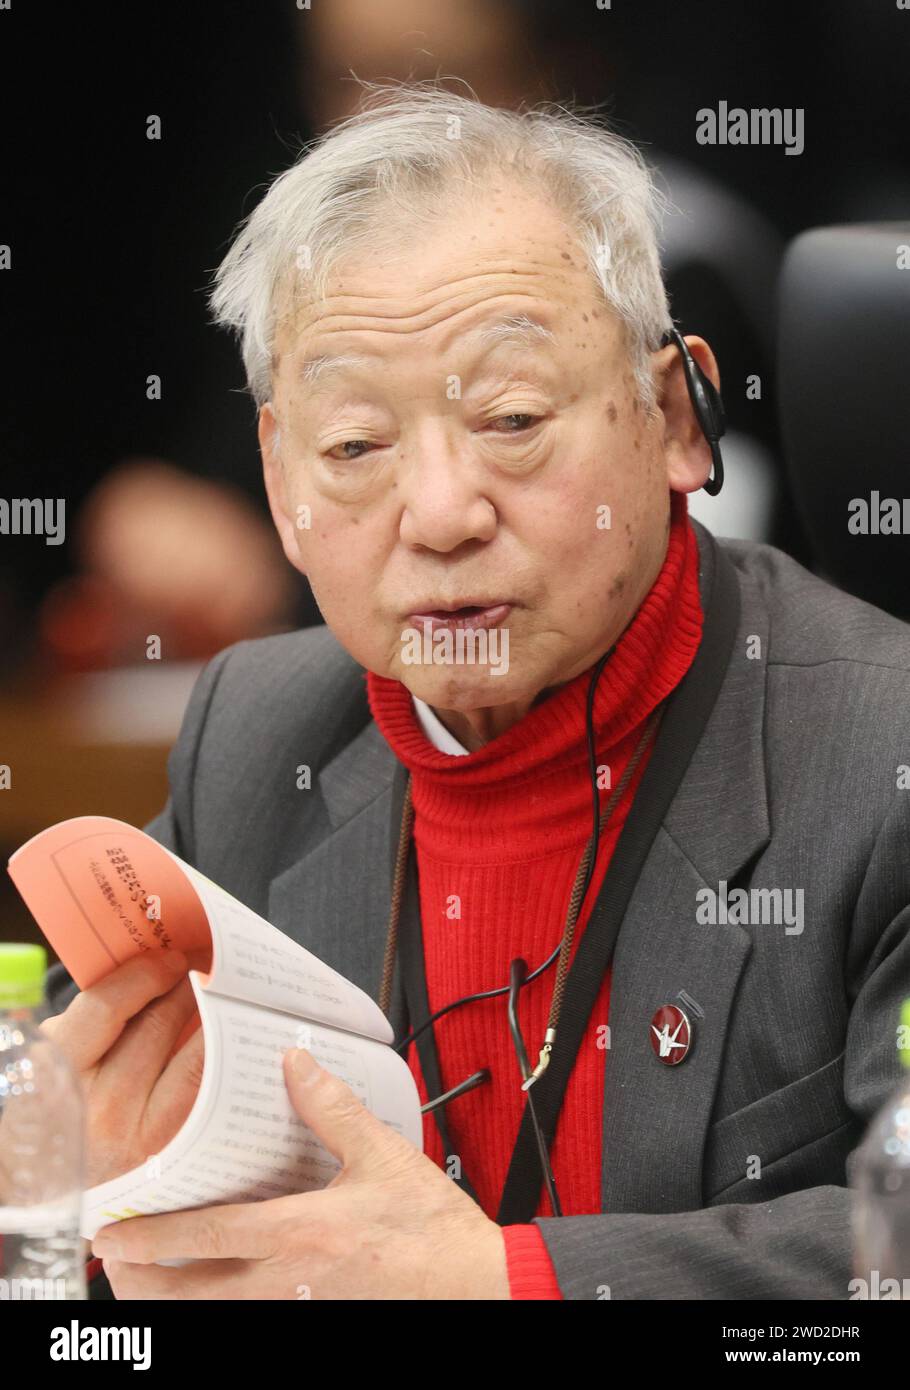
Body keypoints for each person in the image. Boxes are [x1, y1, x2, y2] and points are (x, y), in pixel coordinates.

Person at [44, 83, 910, 1300]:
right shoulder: (255, 737)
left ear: (674, 417)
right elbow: (75, 1168)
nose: (442, 514)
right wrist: (87, 1184)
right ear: (281, 482)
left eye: (511, 418)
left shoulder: (880, 759)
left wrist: (505, 1282)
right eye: (356, 446)